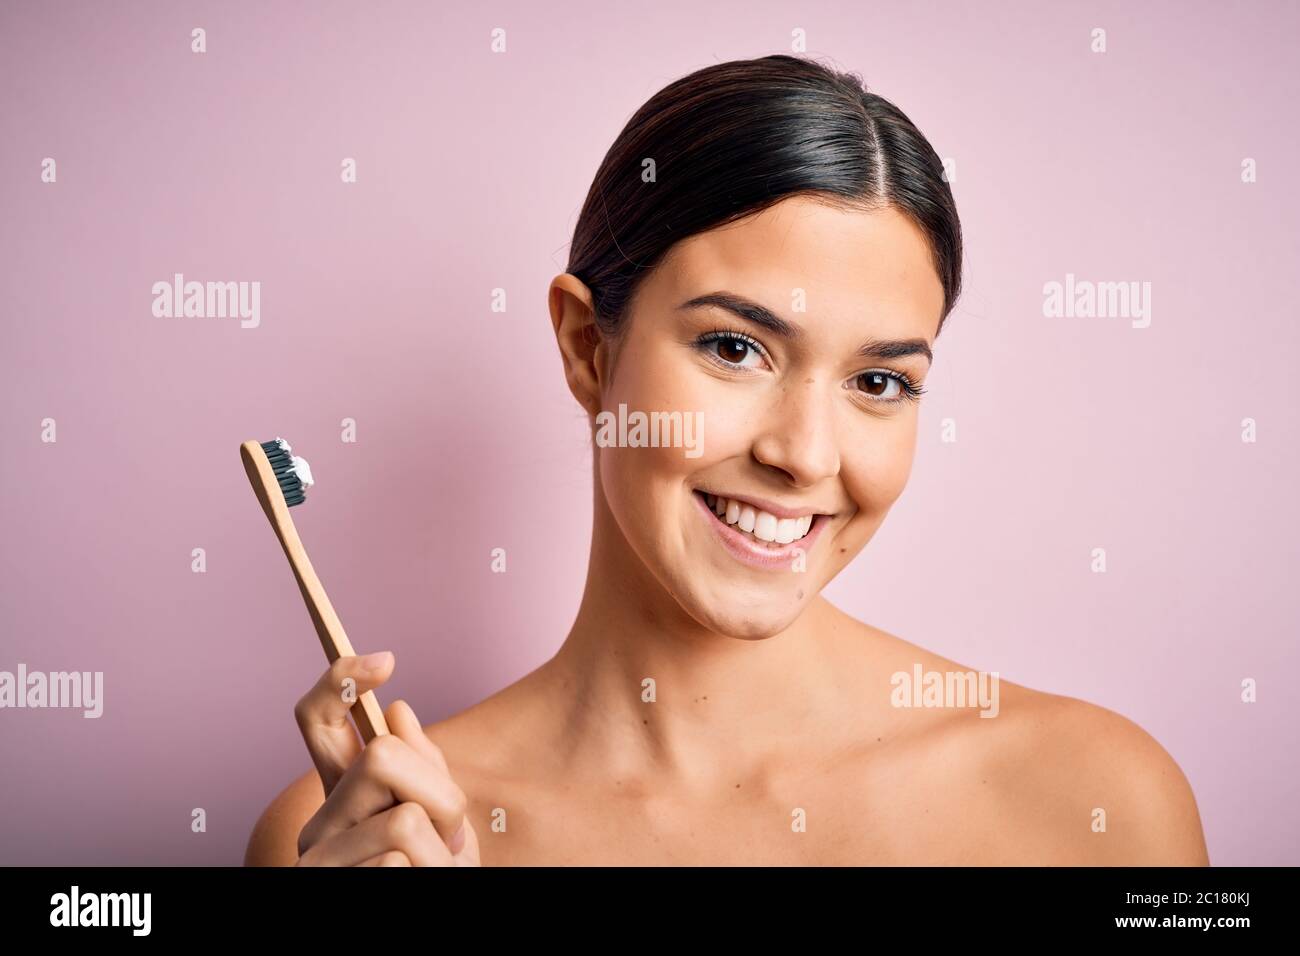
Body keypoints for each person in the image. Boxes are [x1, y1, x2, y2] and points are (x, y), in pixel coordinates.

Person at [246, 54, 1209, 866]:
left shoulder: (1101, 803)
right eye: (735, 349)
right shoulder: (352, 833)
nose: (804, 454)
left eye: (879, 383)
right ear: (590, 347)